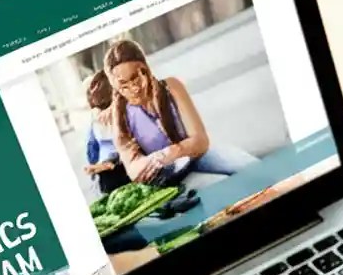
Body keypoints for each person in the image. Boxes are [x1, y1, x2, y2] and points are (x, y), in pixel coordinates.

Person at [103, 39, 258, 190]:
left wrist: (172, 151)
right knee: (213, 187)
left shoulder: (171, 87)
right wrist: (154, 161)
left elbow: (201, 141)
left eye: (136, 78)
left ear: (145, 69)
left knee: (251, 166)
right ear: (115, 87)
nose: (134, 88)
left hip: (197, 156)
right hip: (166, 176)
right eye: (124, 85)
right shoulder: (121, 116)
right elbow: (134, 170)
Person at [82, 70, 131, 194]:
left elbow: (91, 152)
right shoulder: (125, 108)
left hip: (112, 174)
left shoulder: (94, 120)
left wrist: (97, 168)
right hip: (125, 166)